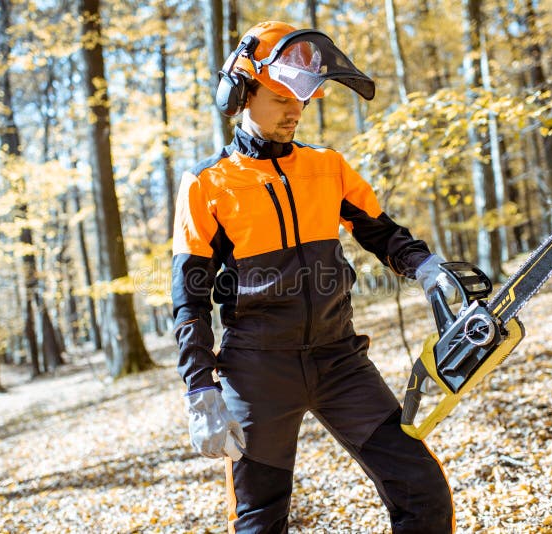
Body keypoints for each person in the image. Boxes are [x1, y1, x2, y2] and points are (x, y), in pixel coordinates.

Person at [172, 20, 455, 533]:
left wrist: (425, 266)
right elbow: (189, 298)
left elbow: (382, 232)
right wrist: (199, 388)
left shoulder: (328, 167)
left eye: (302, 96)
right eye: (281, 94)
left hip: (339, 360)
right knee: (260, 520)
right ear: (241, 92)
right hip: (257, 372)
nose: (294, 108)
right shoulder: (208, 184)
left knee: (422, 489)